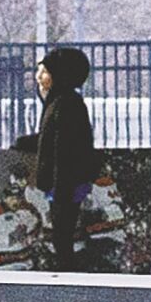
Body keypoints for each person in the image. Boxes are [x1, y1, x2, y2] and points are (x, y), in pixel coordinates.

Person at [11, 47, 99, 272]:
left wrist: (61, 188)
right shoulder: (58, 101)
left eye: (44, 71)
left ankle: (67, 279)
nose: (38, 77)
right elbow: (50, 138)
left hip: (66, 184)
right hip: (64, 183)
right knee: (61, 236)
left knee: (63, 236)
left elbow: (64, 149)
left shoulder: (66, 103)